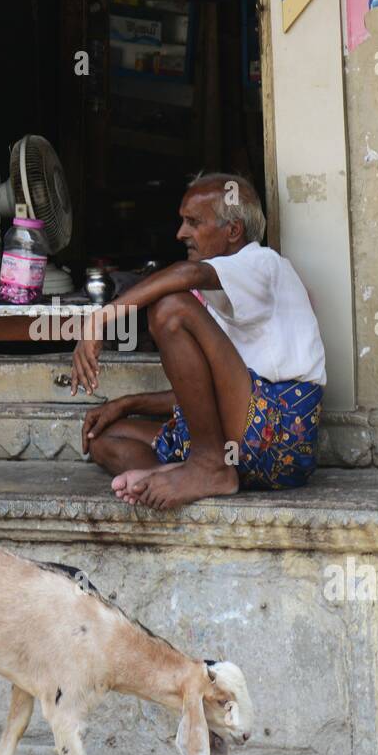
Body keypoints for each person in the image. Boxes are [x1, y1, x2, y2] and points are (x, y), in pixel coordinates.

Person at [71, 173, 326, 510]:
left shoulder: (263, 264)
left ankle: (208, 468)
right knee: (103, 440)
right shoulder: (220, 296)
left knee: (170, 309)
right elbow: (201, 392)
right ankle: (182, 472)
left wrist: (100, 318)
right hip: (237, 436)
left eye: (193, 222)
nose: (181, 234)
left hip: (277, 437)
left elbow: (185, 275)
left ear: (233, 231)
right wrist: (126, 403)